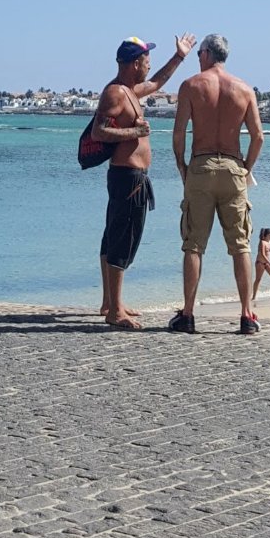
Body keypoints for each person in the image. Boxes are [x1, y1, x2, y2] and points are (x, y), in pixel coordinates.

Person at [95, 33, 196, 329]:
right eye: (146, 59)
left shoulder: (129, 91)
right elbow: (98, 132)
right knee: (123, 240)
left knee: (113, 236)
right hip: (127, 177)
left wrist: (179, 57)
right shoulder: (115, 93)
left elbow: (157, 83)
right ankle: (114, 311)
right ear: (135, 63)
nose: (149, 65)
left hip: (130, 177)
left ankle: (110, 302)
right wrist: (134, 134)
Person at [169, 33, 265, 335]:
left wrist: (183, 167)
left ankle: (187, 314)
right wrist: (244, 168)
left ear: (208, 53)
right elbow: (258, 137)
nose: (198, 58)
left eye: (199, 53)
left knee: (194, 244)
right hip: (234, 167)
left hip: (202, 164)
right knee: (240, 245)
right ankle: (247, 314)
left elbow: (179, 134)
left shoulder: (192, 86)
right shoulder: (244, 89)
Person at [251, 228, 270, 302]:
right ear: (266, 235)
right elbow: (263, 254)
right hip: (260, 263)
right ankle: (254, 297)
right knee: (258, 279)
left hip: (267, 263)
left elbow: (268, 254)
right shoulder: (262, 242)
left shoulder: (269, 242)